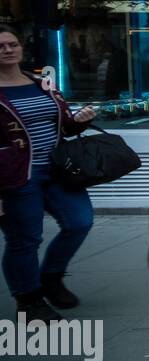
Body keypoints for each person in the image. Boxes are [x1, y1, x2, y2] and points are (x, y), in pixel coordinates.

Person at [0, 24, 97, 319]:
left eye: (12, 44)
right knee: (25, 239)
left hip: (57, 169)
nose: (7, 50)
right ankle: (29, 300)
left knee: (80, 221)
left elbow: (63, 123)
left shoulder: (40, 81)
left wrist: (79, 121)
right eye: (0, 47)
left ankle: (51, 277)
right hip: (16, 176)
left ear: (21, 48)